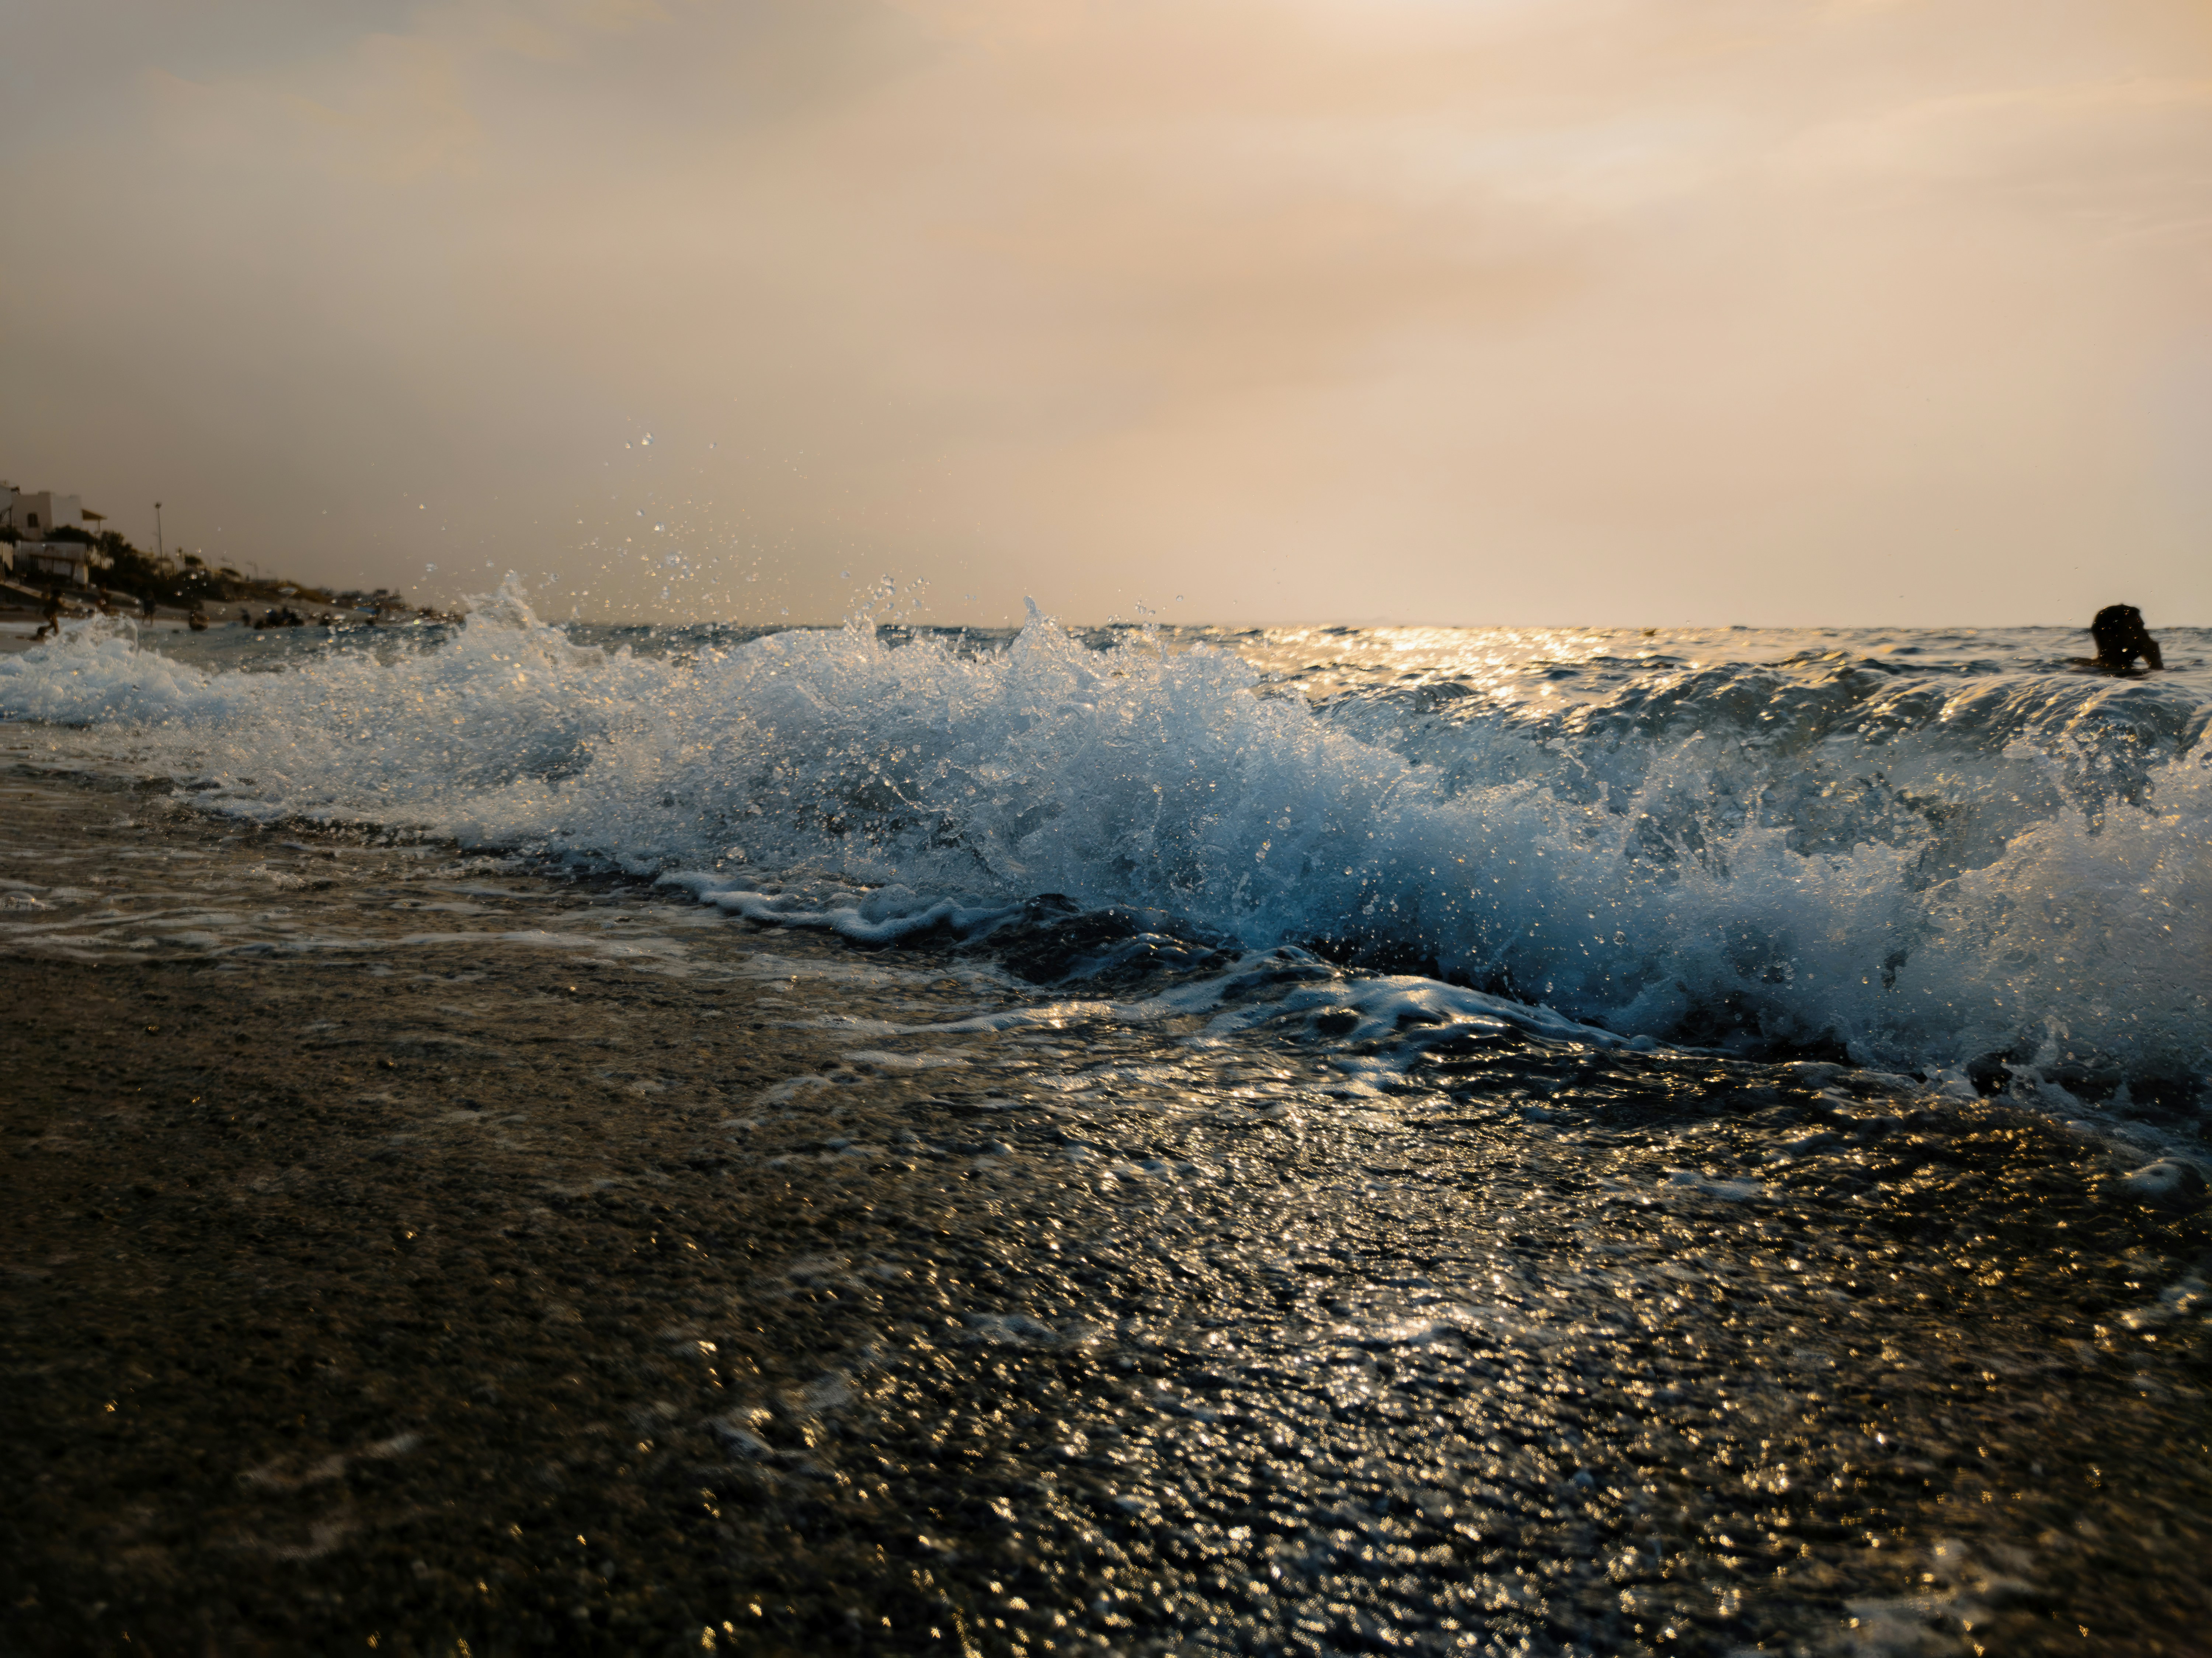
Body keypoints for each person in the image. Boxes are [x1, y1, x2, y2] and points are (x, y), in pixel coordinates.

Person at [2085, 603, 2163, 673]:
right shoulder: (2126, 676)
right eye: (2135, 628)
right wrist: (2156, 665)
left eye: (2142, 628)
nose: (2145, 634)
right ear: (2109, 637)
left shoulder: (2088, 669)